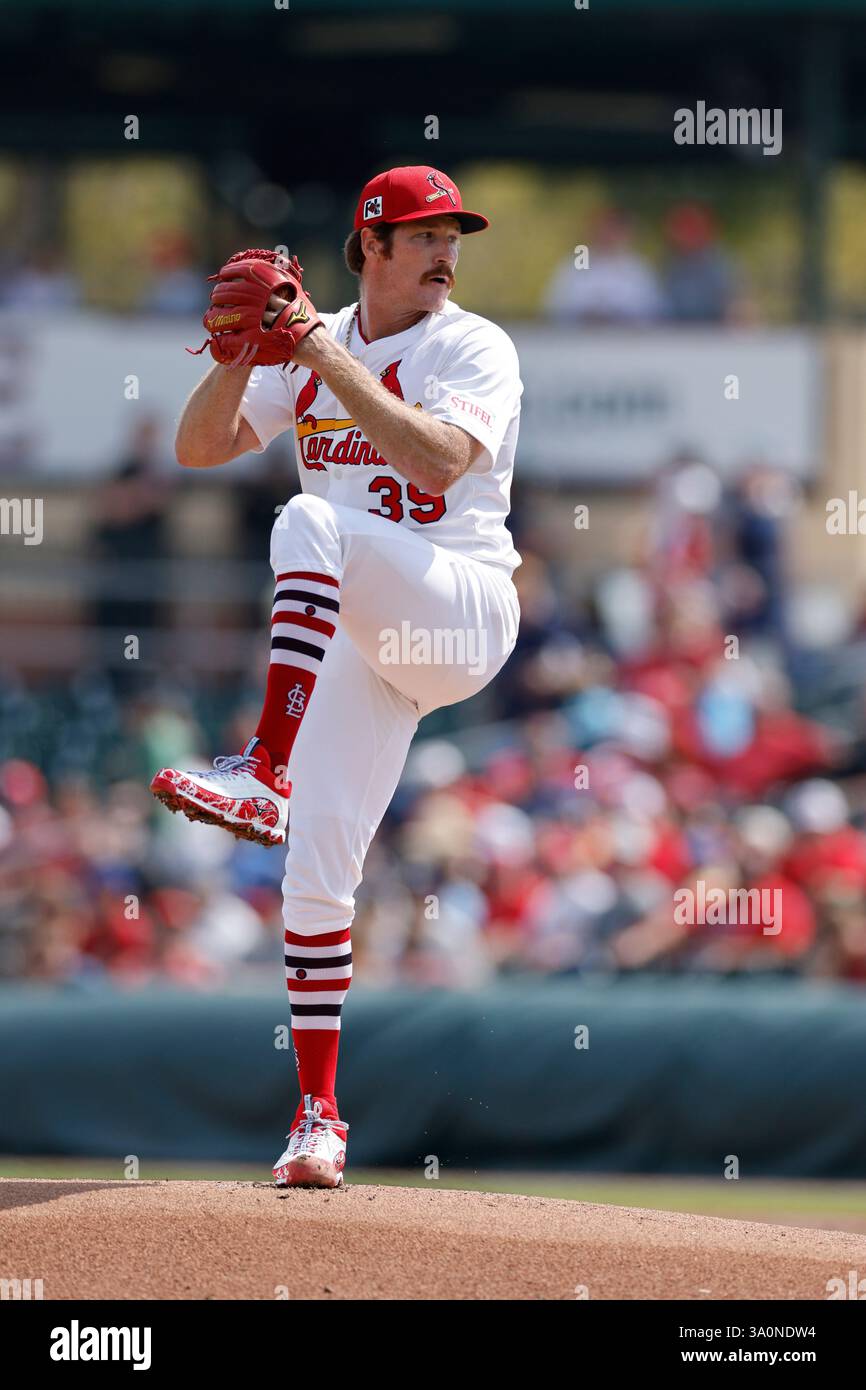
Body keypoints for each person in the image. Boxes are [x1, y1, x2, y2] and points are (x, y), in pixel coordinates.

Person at [150, 166, 523, 1188]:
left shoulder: (468, 344)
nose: (445, 252)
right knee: (317, 866)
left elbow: (439, 464)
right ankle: (317, 1115)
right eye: (422, 236)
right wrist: (234, 357)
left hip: (460, 609)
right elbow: (197, 445)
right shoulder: (314, 348)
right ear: (369, 246)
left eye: (453, 234)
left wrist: (312, 347)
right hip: (368, 637)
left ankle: (260, 764)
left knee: (309, 518)